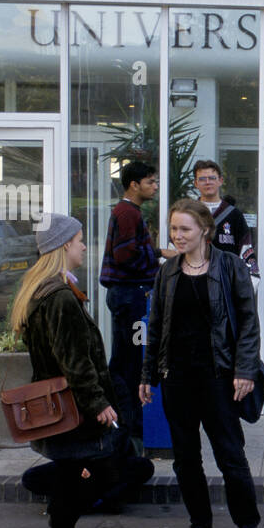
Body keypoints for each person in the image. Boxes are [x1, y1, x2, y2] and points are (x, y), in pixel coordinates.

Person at [139, 199, 262, 528]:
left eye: (185, 229)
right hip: (177, 378)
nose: (177, 236)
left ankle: (247, 526)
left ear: (205, 231)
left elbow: (248, 323)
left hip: (219, 377)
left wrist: (244, 370)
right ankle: (200, 526)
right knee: (186, 459)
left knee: (230, 456)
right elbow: (157, 326)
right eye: (173, 229)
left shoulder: (230, 267)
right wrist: (148, 375)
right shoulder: (167, 271)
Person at [12, 213, 125, 528]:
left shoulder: (42, 289)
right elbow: (74, 362)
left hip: (60, 408)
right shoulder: (58, 296)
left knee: (73, 475)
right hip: (72, 409)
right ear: (63, 246)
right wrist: (98, 404)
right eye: (79, 240)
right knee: (99, 474)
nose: (83, 247)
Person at [99, 161, 175, 455]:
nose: (155, 186)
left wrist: (157, 252)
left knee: (127, 362)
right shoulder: (127, 212)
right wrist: (156, 258)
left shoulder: (128, 212)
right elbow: (124, 256)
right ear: (134, 184)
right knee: (128, 366)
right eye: (151, 181)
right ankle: (129, 432)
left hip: (129, 295)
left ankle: (128, 429)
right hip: (130, 296)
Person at [194, 159, 260, 288]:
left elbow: (245, 251)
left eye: (212, 178)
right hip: (194, 284)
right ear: (195, 183)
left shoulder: (234, 215)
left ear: (220, 181)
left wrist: (248, 288)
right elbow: (175, 250)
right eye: (202, 179)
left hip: (226, 285)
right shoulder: (188, 213)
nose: (207, 182)